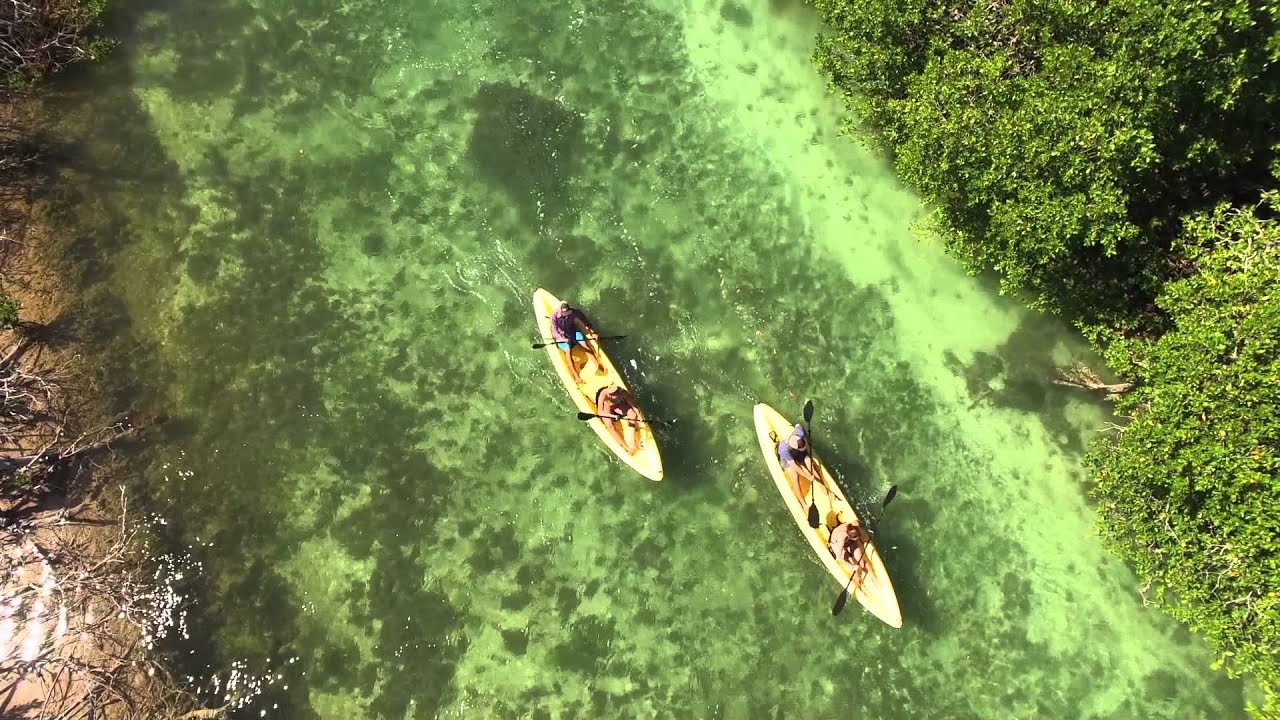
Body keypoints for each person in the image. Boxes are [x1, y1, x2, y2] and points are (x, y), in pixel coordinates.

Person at [551, 301, 601, 385]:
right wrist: (563, 339)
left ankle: (598, 367)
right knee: (568, 350)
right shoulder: (554, 316)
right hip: (562, 336)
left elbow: (586, 322)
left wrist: (593, 332)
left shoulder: (575, 312)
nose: (566, 315)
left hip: (572, 332)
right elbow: (555, 331)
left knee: (585, 344)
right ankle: (576, 377)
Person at [777, 424, 823, 505]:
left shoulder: (799, 432)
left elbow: (798, 425)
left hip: (797, 452)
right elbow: (794, 466)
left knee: (810, 464)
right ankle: (803, 503)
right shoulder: (783, 450)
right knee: (795, 476)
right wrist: (807, 476)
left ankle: (824, 489)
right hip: (787, 460)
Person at [596, 385, 643, 456]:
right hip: (606, 406)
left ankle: (632, 440)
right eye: (611, 394)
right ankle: (627, 448)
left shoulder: (622, 392)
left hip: (617, 405)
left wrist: (639, 415)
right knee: (610, 426)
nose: (612, 396)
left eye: (615, 393)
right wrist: (613, 416)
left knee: (633, 414)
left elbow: (632, 404)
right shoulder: (603, 394)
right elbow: (600, 412)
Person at [828, 518, 870, 590]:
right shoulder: (841, 539)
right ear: (850, 537)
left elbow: (858, 522)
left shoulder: (855, 524)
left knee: (861, 561)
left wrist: (868, 535)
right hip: (835, 543)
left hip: (849, 541)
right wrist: (851, 566)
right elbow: (839, 558)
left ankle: (872, 575)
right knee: (852, 564)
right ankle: (860, 585)